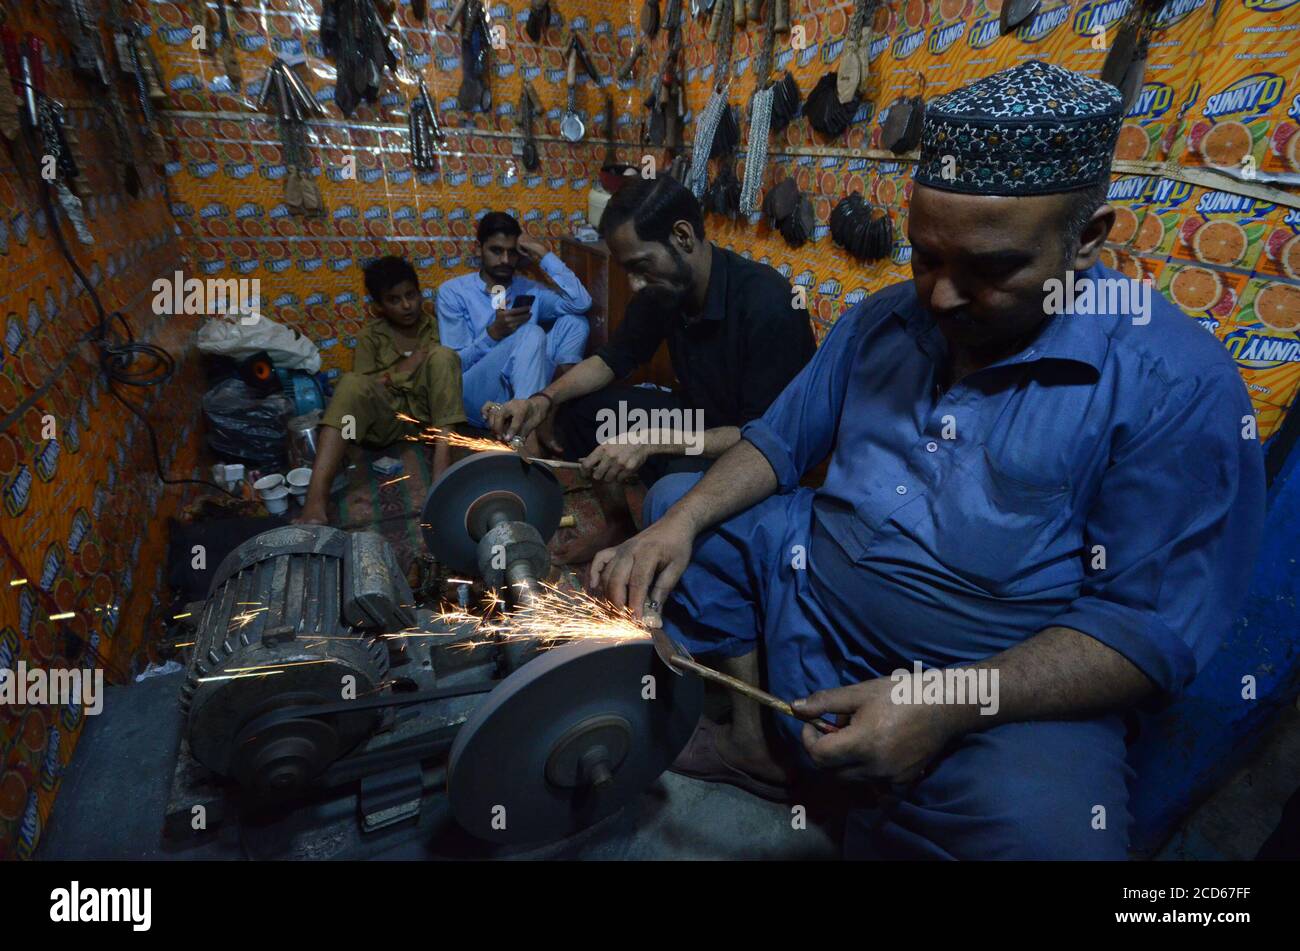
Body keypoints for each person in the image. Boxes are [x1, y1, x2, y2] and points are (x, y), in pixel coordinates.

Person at [588, 61, 1267, 859]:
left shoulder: (1173, 382)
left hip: (991, 676)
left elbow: (1146, 634)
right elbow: (780, 441)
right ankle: (758, 746)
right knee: (678, 506)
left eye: (988, 269)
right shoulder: (885, 319)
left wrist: (945, 701)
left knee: (1048, 838)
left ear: (1086, 240)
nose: (940, 296)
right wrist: (683, 524)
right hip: (813, 589)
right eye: (924, 256)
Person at [484, 176, 816, 563]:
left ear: (683, 236)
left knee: (669, 487)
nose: (635, 283)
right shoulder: (663, 289)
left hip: (756, 447)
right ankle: (618, 525)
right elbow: (611, 360)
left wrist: (650, 440)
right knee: (581, 412)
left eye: (640, 266)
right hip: (698, 420)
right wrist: (543, 399)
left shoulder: (769, 302)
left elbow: (767, 438)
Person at [297, 256, 464, 526]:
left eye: (411, 295)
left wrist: (394, 376)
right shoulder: (370, 337)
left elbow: (448, 376)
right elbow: (364, 390)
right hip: (385, 424)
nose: (407, 305)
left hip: (428, 418)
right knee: (350, 382)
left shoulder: (438, 326)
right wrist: (405, 369)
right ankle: (315, 500)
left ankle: (441, 474)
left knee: (444, 356)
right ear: (379, 306)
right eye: (394, 300)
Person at [436, 212, 592, 428]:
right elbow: (453, 367)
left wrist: (542, 253)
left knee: (576, 322)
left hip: (521, 384)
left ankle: (552, 409)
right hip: (475, 394)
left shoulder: (528, 289)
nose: (505, 260)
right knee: (531, 332)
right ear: (478, 248)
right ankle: (531, 432)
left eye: (512, 253)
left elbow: (581, 303)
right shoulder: (453, 292)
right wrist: (492, 335)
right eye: (496, 251)